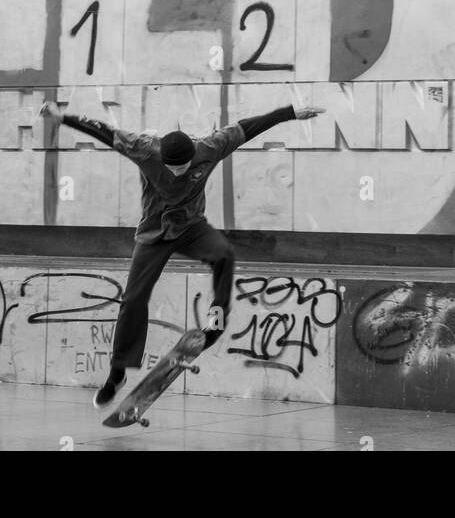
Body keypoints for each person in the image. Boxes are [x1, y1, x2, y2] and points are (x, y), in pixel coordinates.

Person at [39, 97, 324, 406]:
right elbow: (104, 131)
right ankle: (117, 373)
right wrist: (61, 117)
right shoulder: (145, 149)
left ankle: (213, 325)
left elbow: (248, 127)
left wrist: (291, 112)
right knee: (133, 299)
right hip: (153, 234)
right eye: (172, 168)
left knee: (223, 254)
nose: (178, 173)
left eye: (184, 167)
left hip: (191, 227)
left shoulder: (211, 148)